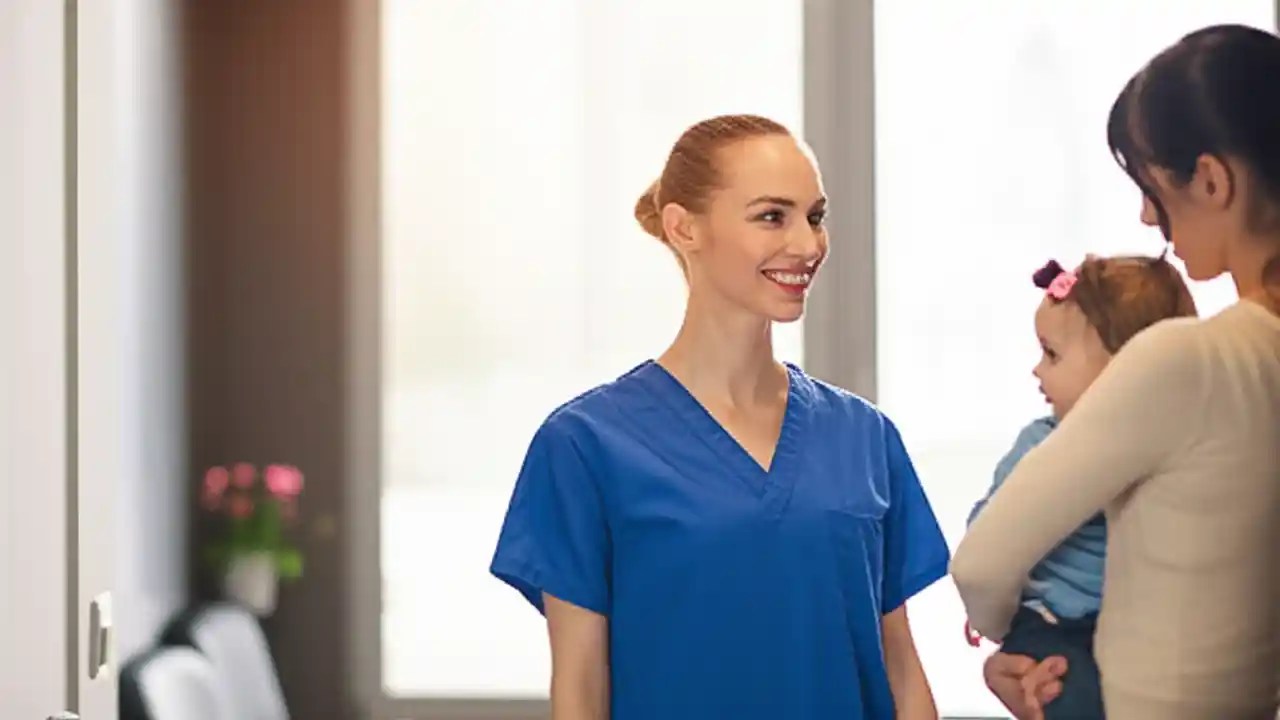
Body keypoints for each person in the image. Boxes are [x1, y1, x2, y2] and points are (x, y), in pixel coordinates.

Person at [489, 114, 950, 719]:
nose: (808, 245)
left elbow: (902, 675)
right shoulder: (584, 446)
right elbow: (579, 691)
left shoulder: (864, 437)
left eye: (815, 217)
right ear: (684, 228)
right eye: (771, 216)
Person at [952, 24, 1280, 720]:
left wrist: (1009, 649)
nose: (1143, 213)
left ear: (1212, 179)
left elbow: (981, 562)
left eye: (1151, 187)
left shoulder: (1190, 358)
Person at [963, 255, 1197, 719]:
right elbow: (985, 538)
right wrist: (992, 618)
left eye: (1052, 354)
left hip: (1138, 634)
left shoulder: (1176, 451)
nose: (1037, 370)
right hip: (1056, 624)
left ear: (1128, 370)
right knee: (1068, 695)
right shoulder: (1043, 443)